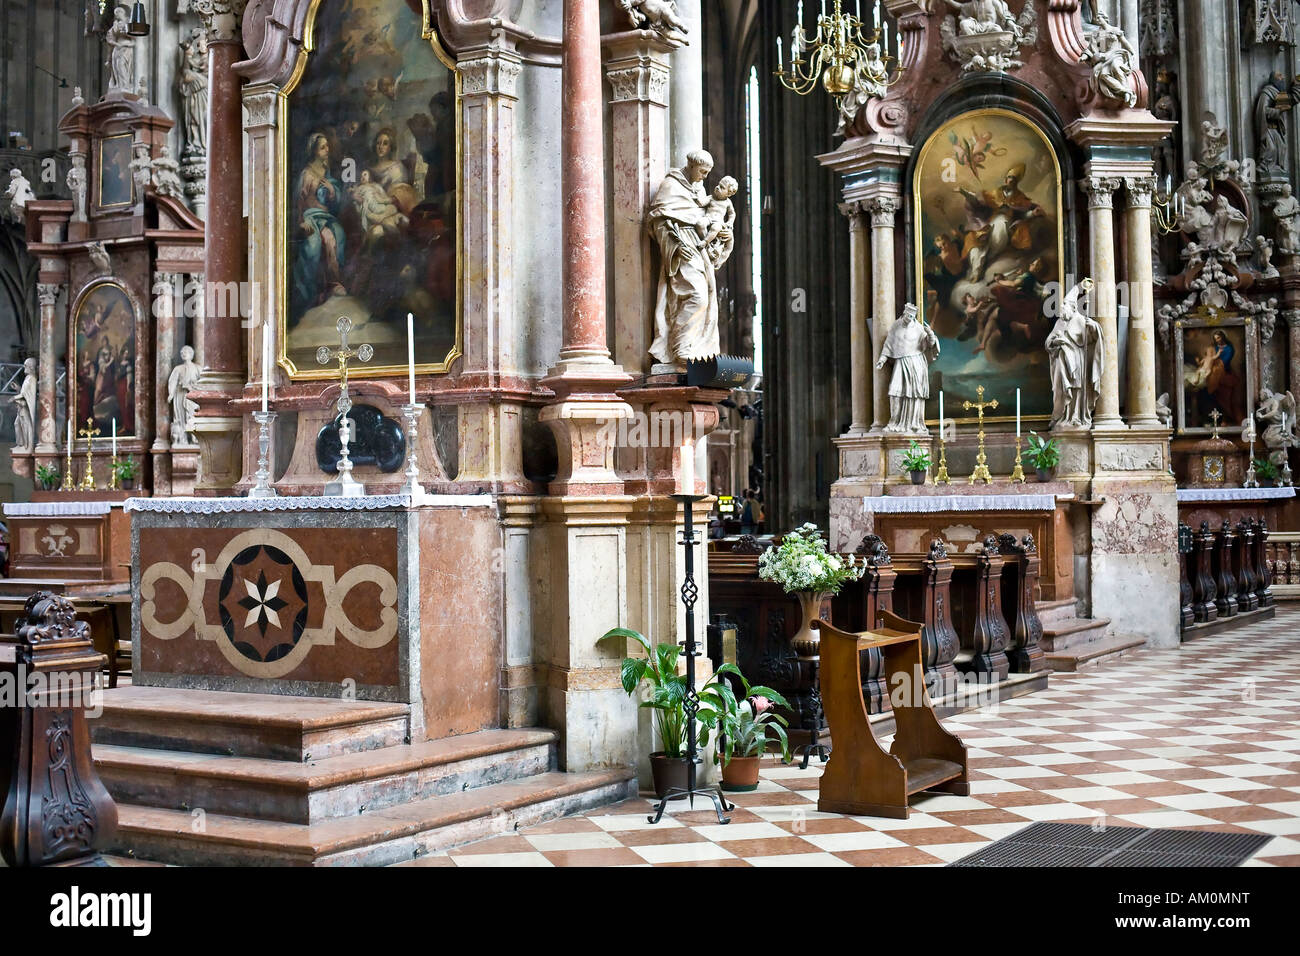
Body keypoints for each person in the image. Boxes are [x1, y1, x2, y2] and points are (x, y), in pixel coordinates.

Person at [291, 132, 348, 316]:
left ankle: (334, 282)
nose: (327, 150)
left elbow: (335, 199)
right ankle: (311, 290)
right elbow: (298, 201)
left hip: (325, 216)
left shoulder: (327, 171)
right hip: (309, 216)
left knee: (338, 233)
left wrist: (332, 190)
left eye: (327, 147)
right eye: (323, 147)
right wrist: (301, 222)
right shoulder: (306, 174)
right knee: (315, 243)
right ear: (314, 150)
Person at [1046, 279, 1104, 429]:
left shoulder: (1082, 321)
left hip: (1079, 361)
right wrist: (1056, 342)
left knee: (1078, 388)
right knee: (1060, 388)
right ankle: (1063, 416)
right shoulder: (1060, 322)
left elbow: (1093, 340)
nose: (1061, 308)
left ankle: (1078, 416)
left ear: (1072, 307)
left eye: (1064, 305)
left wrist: (1093, 327)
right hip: (1062, 362)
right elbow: (1048, 342)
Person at [876, 304, 940, 433]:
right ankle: (894, 422)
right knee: (895, 392)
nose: (909, 318)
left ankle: (914, 423)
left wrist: (931, 335)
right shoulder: (896, 326)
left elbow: (929, 344)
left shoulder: (918, 328)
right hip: (901, 362)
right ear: (904, 313)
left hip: (916, 363)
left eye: (912, 316)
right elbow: (889, 344)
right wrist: (882, 359)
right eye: (908, 315)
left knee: (915, 394)